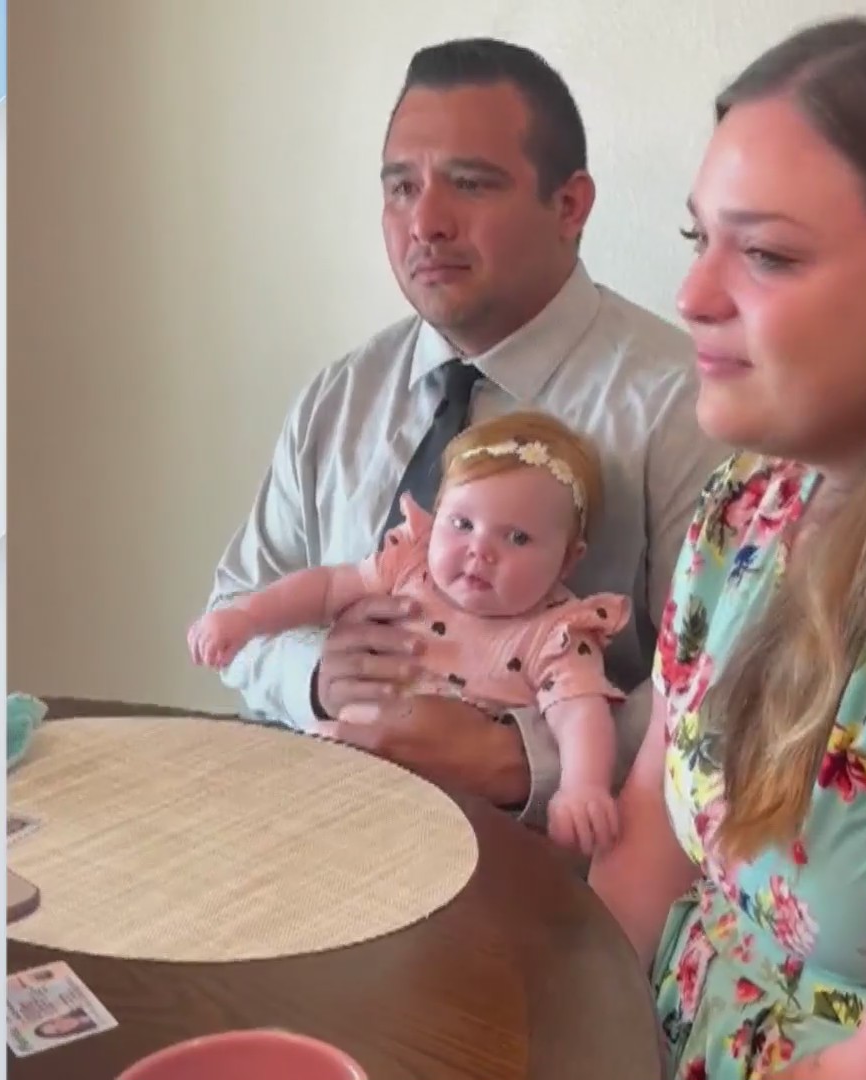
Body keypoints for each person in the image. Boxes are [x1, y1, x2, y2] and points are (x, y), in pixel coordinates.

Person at [587, 17, 866, 1080]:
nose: (692, 297)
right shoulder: (752, 501)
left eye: (765, 254)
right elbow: (651, 836)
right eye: (700, 240)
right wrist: (555, 1038)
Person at [205, 38, 724, 828]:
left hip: (556, 896)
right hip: (313, 844)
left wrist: (523, 759)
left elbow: (730, 684)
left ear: (571, 206)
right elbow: (239, 605)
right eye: (400, 188)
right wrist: (318, 674)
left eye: (470, 186)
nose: (427, 223)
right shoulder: (339, 398)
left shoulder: (685, 406)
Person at [192, 412, 630, 855]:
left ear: (569, 560)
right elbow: (324, 588)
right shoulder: (409, 567)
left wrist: (582, 787)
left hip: (466, 822)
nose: (480, 550)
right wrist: (246, 618)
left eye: (517, 537)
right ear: (435, 517)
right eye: (461, 524)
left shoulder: (555, 633)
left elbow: (579, 714)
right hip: (342, 766)